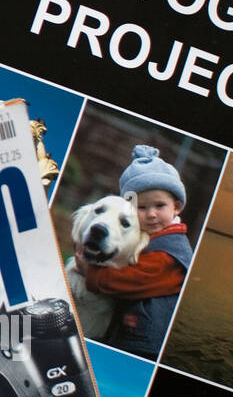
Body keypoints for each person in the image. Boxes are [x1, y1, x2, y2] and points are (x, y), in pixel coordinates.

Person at [77, 145, 192, 360]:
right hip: (130, 335)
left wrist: (90, 273)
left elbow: (129, 280)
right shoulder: (153, 240)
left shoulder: (170, 255)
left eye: (160, 205)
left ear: (176, 207)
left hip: (144, 345)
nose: (151, 214)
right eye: (141, 207)